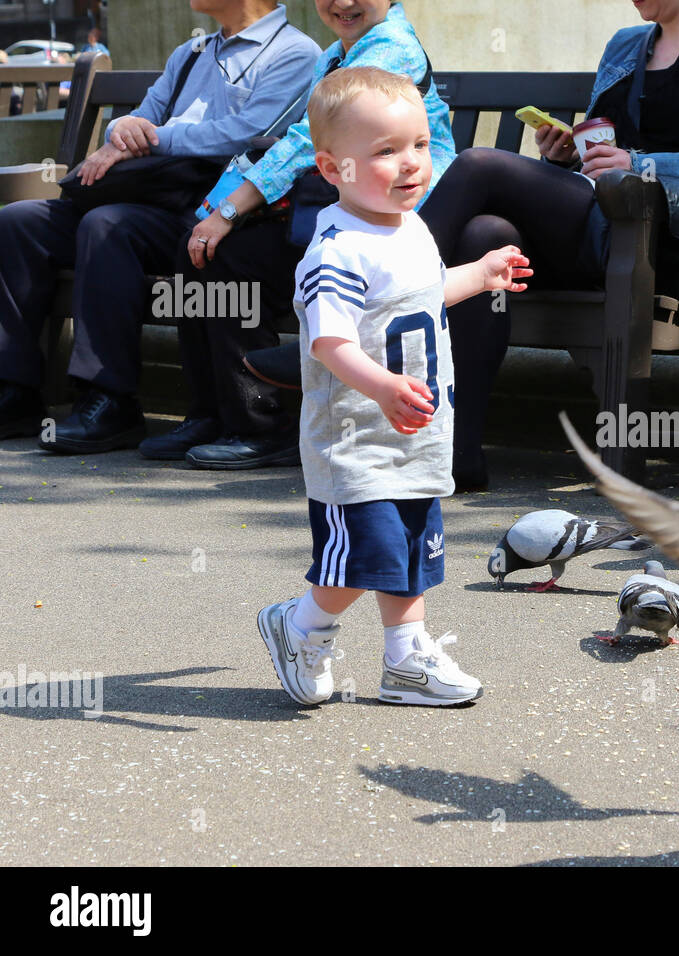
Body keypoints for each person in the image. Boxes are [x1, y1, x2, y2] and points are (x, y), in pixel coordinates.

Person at [413, 0, 679, 490]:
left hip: (676, 241)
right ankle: (458, 455)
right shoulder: (625, 45)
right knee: (488, 239)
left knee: (479, 164)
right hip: (600, 226)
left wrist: (638, 164)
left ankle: (386, 298)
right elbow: (601, 162)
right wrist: (568, 156)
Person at [256, 67, 530, 707]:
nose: (409, 165)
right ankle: (301, 626)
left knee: (413, 552)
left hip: (418, 430)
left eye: (419, 146)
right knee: (361, 558)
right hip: (356, 440)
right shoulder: (338, 249)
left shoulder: (409, 227)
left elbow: (427, 295)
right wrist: (380, 388)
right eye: (384, 152)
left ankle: (405, 657)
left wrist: (481, 274)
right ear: (333, 169)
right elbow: (329, 342)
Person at [141, 0, 456, 470]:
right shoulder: (334, 54)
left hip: (394, 224)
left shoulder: (390, 47)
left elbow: (307, 139)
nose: (343, 3)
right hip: (347, 212)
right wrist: (219, 210)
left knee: (227, 256)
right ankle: (216, 412)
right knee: (209, 255)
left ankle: (262, 424)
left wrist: (228, 210)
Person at [0, 1, 319, 450]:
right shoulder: (191, 51)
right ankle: (14, 391)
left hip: (206, 205)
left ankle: (110, 400)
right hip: (145, 190)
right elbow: (141, 117)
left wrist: (150, 139)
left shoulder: (294, 53)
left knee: (106, 226)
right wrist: (122, 134)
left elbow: (247, 133)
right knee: (19, 222)